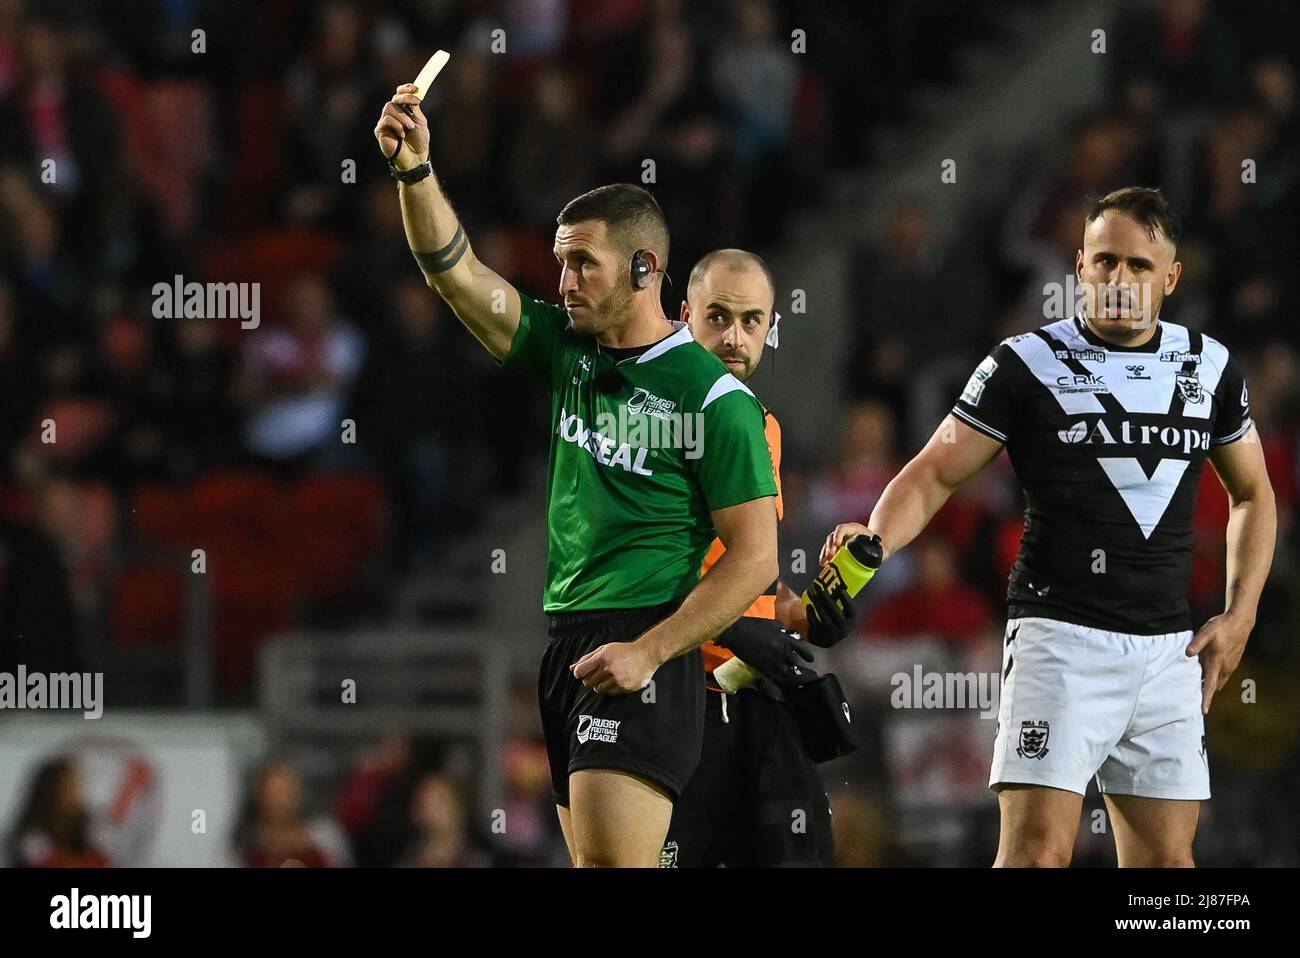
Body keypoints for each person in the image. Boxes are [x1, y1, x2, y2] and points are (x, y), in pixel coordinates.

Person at [373, 84, 779, 868]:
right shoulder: (570, 352)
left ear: (644, 266)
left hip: (641, 643)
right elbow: (455, 276)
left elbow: (756, 557)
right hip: (567, 643)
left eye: (581, 265)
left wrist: (652, 652)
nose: (563, 283)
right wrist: (416, 173)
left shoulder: (715, 400)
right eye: (561, 265)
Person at [822, 187, 1276, 867]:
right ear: (1080, 266)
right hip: (1059, 643)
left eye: (1139, 267)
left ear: (1172, 277)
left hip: (1167, 653)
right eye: (1105, 262)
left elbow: (1254, 496)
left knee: (1168, 866)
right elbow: (936, 471)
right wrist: (876, 538)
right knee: (1036, 855)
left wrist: (1240, 616)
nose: (1119, 279)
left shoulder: (1210, 368)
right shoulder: (1024, 362)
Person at [663, 248, 855, 867]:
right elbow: (637, 563)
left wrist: (801, 615)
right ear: (684, 315)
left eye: (751, 321)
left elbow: (747, 570)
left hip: (754, 695)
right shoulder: (649, 421)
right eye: (717, 317)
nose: (733, 337)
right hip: (673, 693)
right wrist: (734, 628)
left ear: (771, 328)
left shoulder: (760, 426)